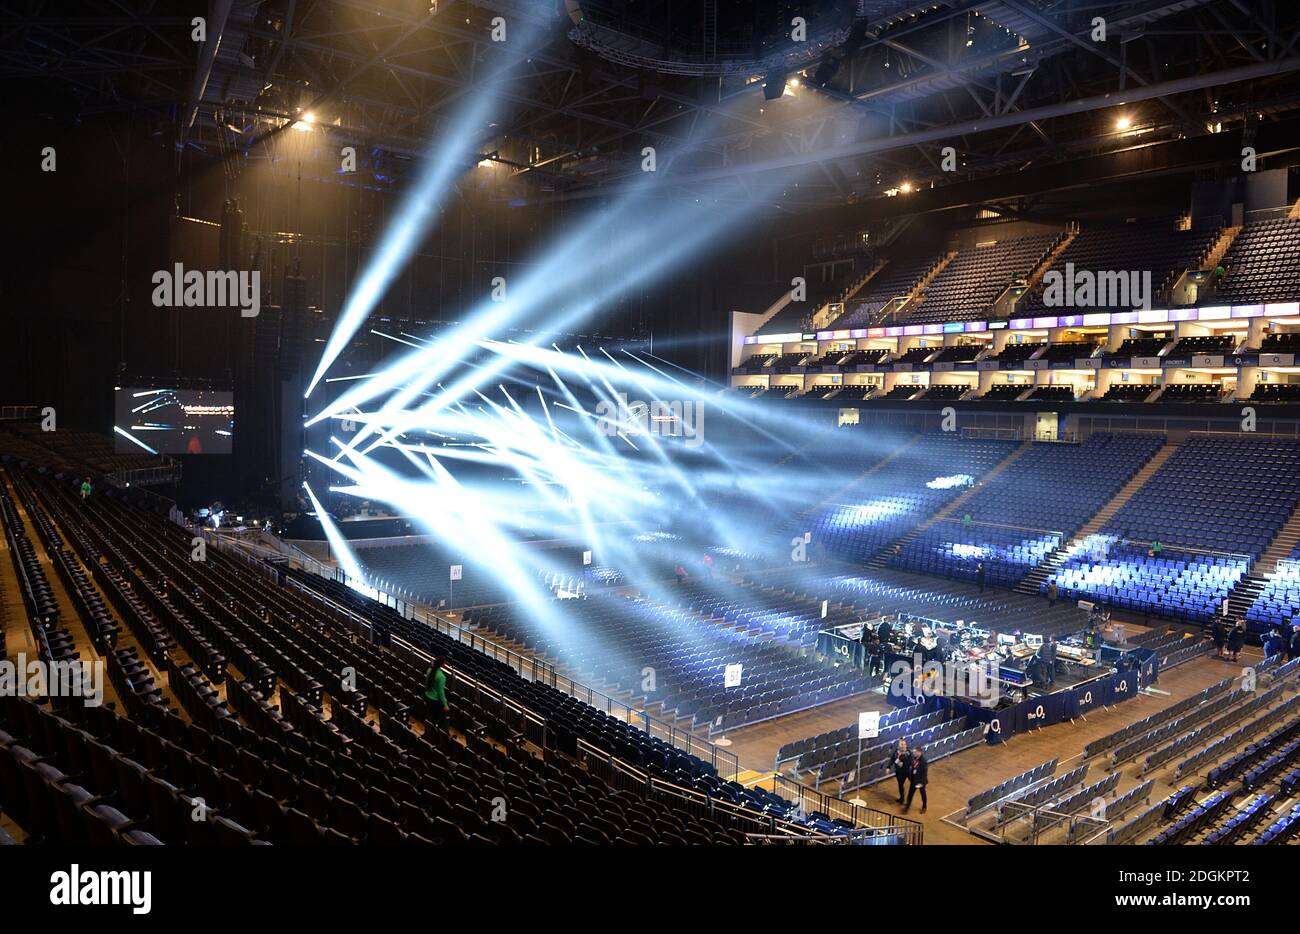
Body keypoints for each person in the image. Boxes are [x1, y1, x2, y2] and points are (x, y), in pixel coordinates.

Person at [424, 658, 449, 728]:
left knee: (429, 717)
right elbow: (441, 692)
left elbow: (426, 683)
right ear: (442, 665)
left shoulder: (429, 670)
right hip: (435, 701)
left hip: (427, 696)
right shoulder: (441, 676)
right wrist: (445, 704)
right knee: (440, 720)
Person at [886, 738, 911, 805]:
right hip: (899, 772)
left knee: (913, 785)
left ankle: (910, 800)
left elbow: (911, 762)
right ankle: (902, 798)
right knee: (900, 785)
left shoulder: (909, 753)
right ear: (899, 745)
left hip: (907, 772)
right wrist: (888, 767)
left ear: (906, 745)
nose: (903, 746)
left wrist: (904, 764)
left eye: (904, 744)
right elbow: (892, 758)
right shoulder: (897, 751)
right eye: (901, 744)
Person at [905, 746, 928, 814]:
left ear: (919, 752)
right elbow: (912, 768)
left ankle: (924, 807)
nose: (914, 753)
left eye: (915, 752)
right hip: (914, 780)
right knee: (910, 794)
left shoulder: (923, 761)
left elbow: (924, 773)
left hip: (920, 782)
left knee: (923, 794)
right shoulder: (914, 758)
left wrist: (921, 783)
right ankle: (907, 807)